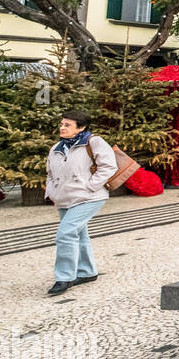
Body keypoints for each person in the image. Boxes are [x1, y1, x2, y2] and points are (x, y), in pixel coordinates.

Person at [45, 109, 116, 295]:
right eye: (61, 124)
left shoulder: (94, 142)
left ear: (81, 127)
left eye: (67, 125)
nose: (62, 127)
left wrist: (90, 186)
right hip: (63, 199)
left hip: (89, 197)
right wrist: (51, 192)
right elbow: (50, 174)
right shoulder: (55, 148)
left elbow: (109, 166)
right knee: (79, 234)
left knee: (65, 234)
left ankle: (64, 278)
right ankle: (87, 272)